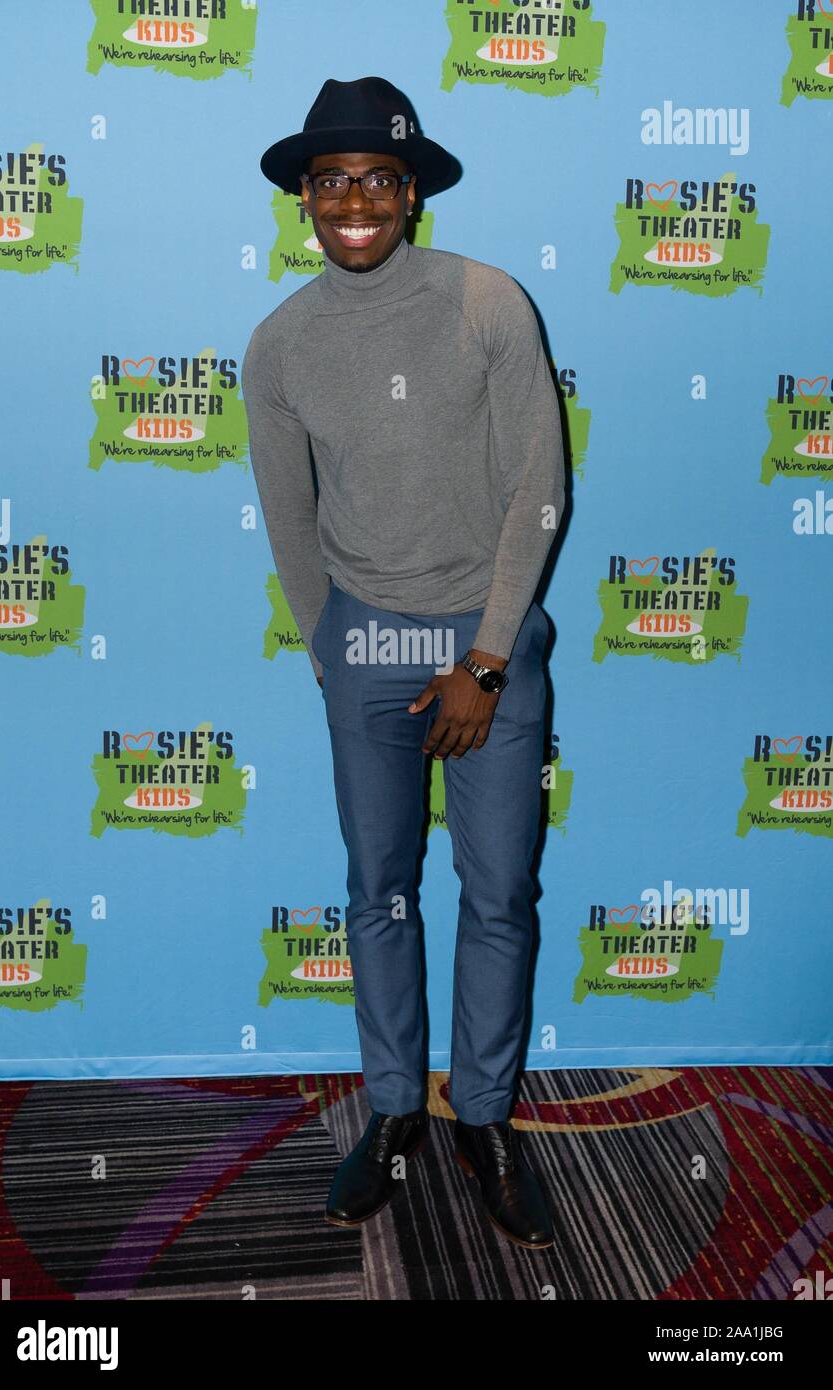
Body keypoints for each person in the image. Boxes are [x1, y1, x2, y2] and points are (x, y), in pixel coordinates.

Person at [242, 76, 565, 1250]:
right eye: (330, 184)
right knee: (376, 891)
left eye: (377, 179)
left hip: (487, 644)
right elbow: (288, 518)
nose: (354, 202)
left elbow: (537, 493)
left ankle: (480, 1118)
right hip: (363, 645)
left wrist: (484, 659)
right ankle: (392, 1114)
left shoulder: (487, 304)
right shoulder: (279, 344)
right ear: (304, 202)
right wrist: (334, 653)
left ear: (411, 190)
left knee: (497, 896)